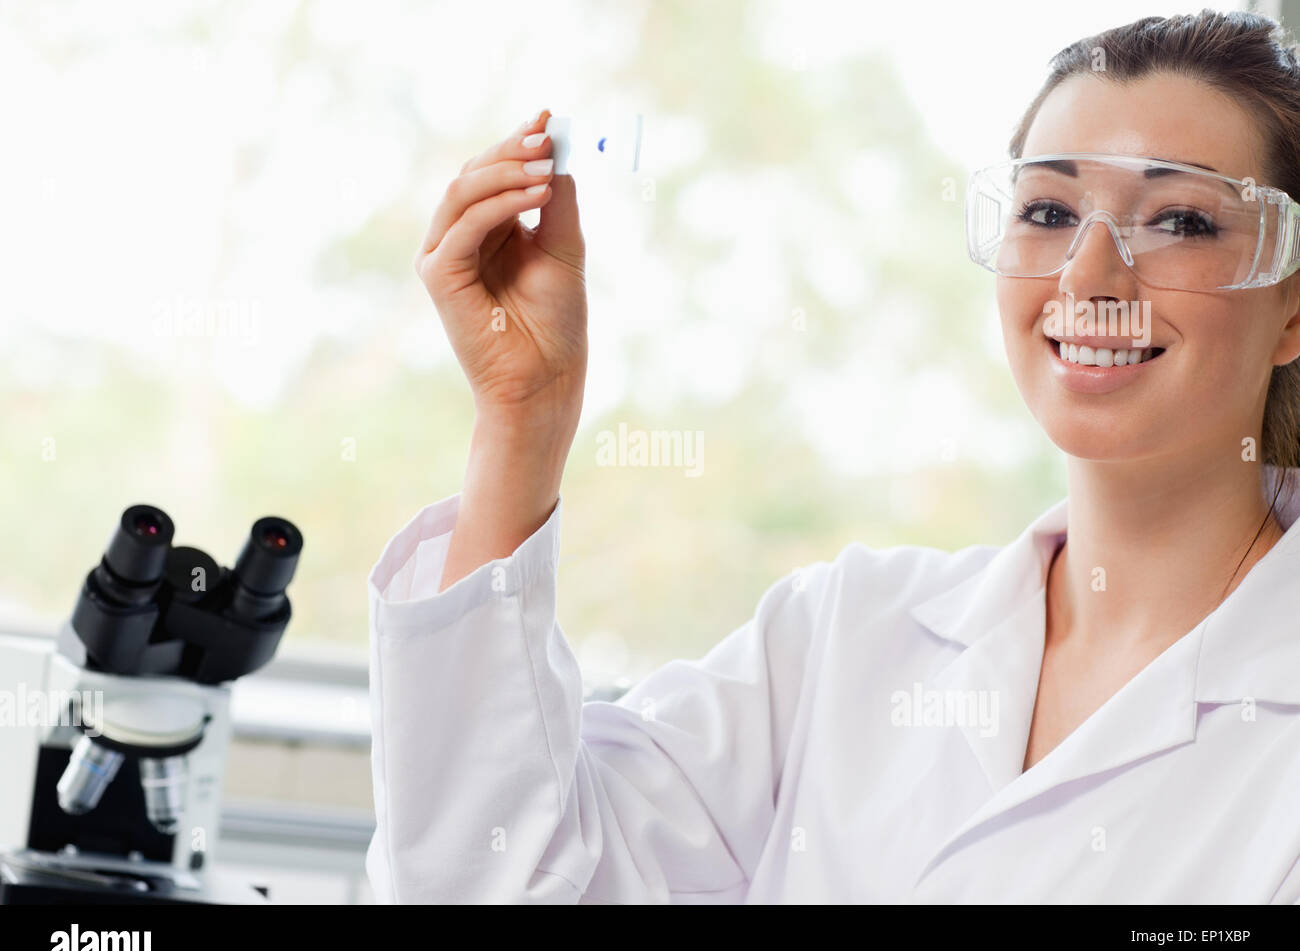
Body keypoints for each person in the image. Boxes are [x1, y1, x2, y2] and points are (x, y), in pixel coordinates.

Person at [364, 10, 1300, 903]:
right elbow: (487, 883)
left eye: (1179, 221)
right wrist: (523, 417)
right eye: (1050, 212)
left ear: (1291, 308)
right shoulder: (842, 642)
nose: (1089, 277)